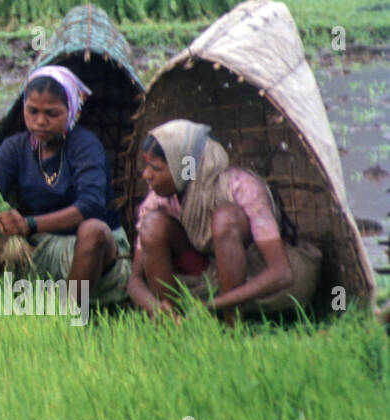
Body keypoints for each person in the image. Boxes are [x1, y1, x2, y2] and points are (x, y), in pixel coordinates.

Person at [0, 65, 132, 306]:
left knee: (94, 230)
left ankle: (70, 316)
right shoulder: (15, 148)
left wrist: (29, 224)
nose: (40, 121)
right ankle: (4, 309)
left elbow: (90, 206)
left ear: (71, 112)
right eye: (32, 111)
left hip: (82, 248)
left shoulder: (85, 146)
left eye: (51, 113)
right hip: (35, 246)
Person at [127, 119, 320, 323]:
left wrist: (213, 305)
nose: (146, 175)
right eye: (147, 167)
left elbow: (282, 273)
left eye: (156, 169)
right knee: (152, 225)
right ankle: (172, 324)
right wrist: (157, 308)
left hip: (253, 272)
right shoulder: (157, 202)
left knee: (224, 218)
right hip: (202, 277)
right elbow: (135, 280)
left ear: (183, 167)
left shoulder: (239, 188)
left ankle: (231, 323)